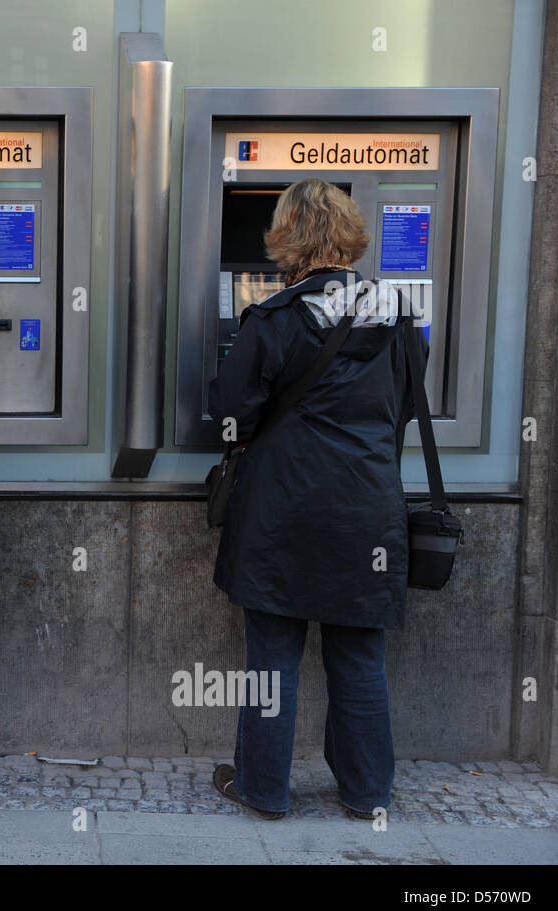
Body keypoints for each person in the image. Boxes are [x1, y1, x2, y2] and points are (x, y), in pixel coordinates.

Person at [206, 177, 426, 821]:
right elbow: (408, 407)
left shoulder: (273, 319)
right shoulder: (402, 319)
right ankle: (366, 794)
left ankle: (264, 789)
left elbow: (230, 414)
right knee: (359, 653)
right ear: (351, 235)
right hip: (368, 509)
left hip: (283, 510)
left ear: (287, 239)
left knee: (272, 652)